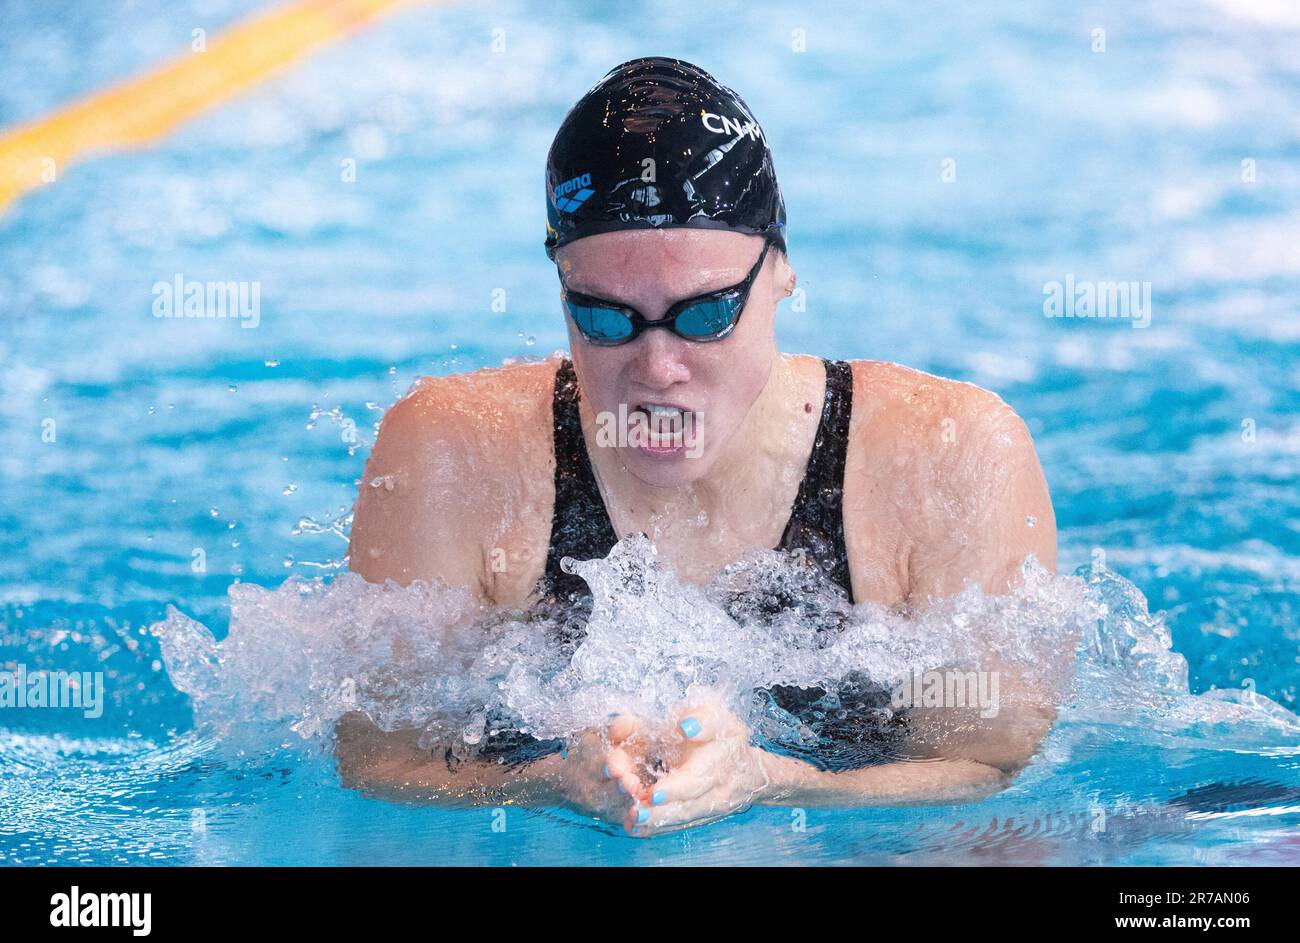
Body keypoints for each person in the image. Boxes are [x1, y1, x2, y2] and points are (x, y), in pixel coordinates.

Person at [334, 57, 1059, 836]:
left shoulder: (950, 456)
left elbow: (995, 774)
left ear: (780, 270)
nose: (658, 369)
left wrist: (773, 782)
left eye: (704, 314)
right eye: (605, 318)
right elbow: (378, 764)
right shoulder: (451, 456)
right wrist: (547, 780)